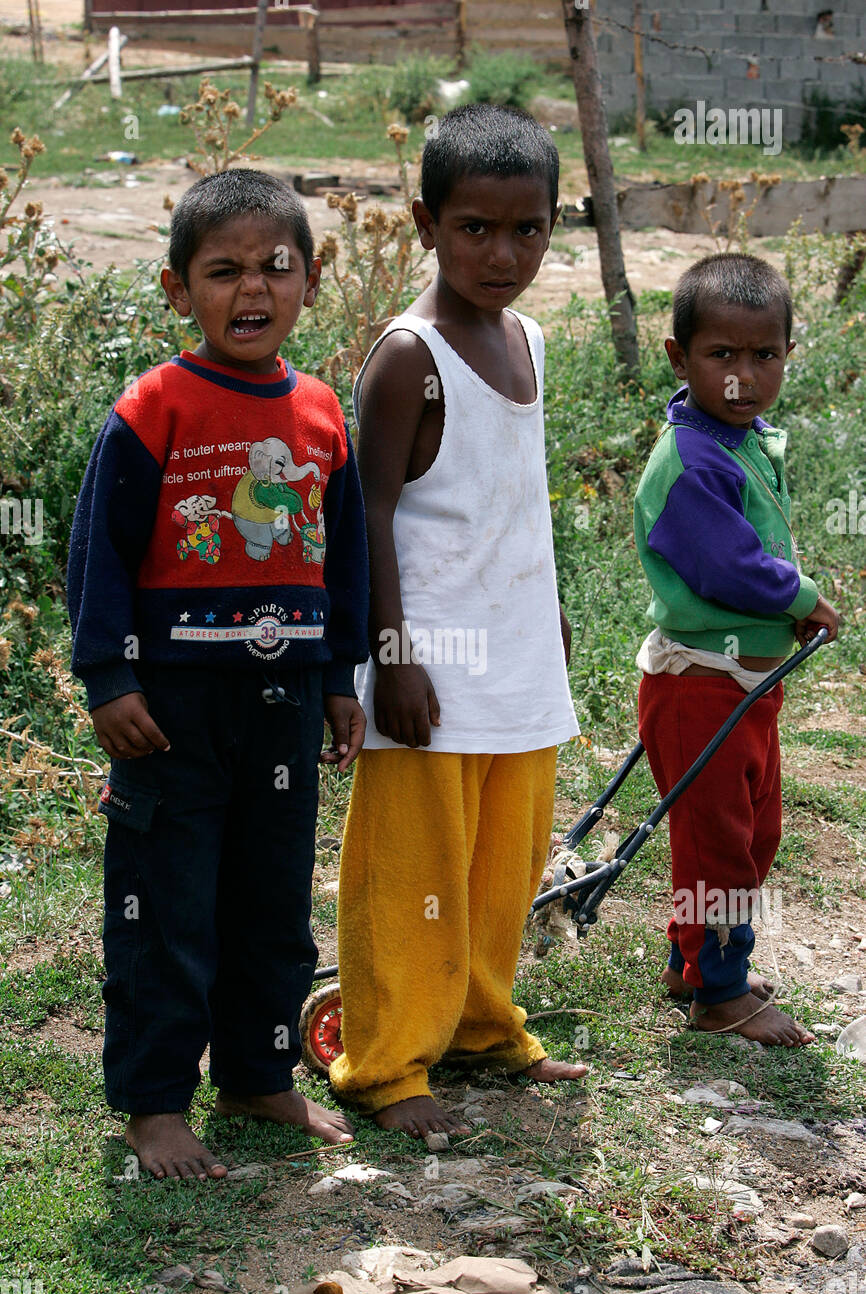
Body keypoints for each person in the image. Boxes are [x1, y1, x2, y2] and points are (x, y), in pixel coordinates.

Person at [67, 169, 369, 1178]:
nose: (252, 290)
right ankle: (154, 1102)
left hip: (282, 707)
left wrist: (337, 678)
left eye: (274, 268)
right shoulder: (152, 410)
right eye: (224, 270)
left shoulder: (323, 415)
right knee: (164, 905)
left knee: (270, 900)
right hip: (172, 710)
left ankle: (258, 1071)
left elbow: (344, 559)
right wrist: (109, 678)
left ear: (309, 278)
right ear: (176, 290)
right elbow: (98, 554)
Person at [328, 104, 586, 1142]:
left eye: (526, 230)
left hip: (515, 654)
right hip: (425, 661)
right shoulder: (410, 356)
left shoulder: (525, 337)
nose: (502, 253)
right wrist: (387, 655)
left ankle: (483, 1023)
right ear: (425, 221)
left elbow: (514, 495)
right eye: (474, 228)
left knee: (502, 862)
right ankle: (389, 1063)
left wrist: (550, 611)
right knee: (411, 871)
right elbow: (369, 512)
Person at [633, 253, 840, 1046]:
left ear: (788, 353)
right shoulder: (688, 459)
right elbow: (728, 562)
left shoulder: (743, 439)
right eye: (721, 355)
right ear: (679, 358)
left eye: (765, 355)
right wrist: (800, 597)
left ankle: (696, 962)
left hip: (743, 686)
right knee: (718, 844)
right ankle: (719, 993)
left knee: (754, 833)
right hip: (700, 686)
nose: (743, 377)